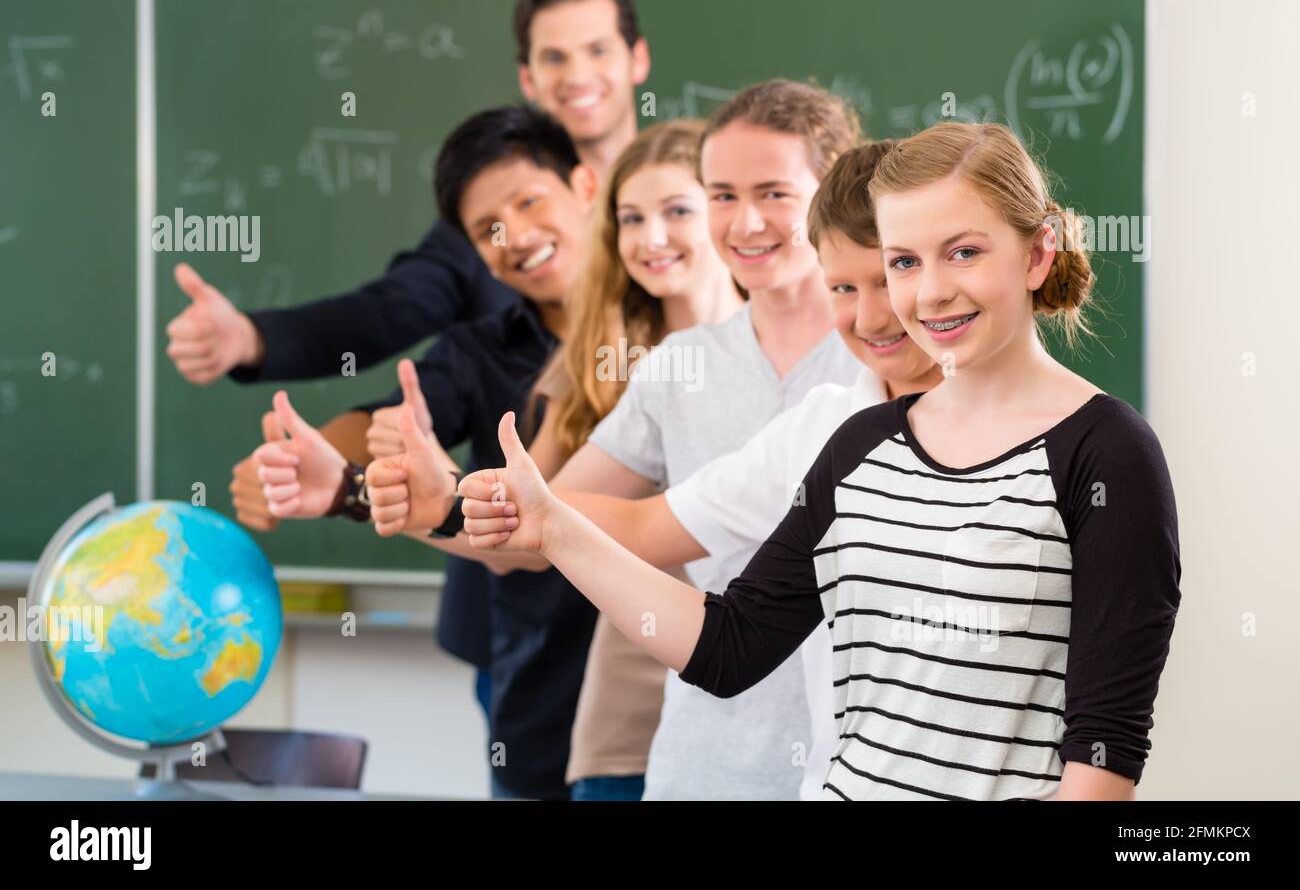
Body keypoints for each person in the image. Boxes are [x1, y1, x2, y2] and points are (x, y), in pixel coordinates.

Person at [457, 121, 1183, 800]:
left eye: (964, 251)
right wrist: (556, 529)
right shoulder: (860, 442)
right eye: (904, 261)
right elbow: (728, 645)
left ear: (1037, 252)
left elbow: (1104, 746)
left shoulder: (1106, 454)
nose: (930, 291)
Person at [165, 0, 651, 722]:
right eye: (554, 57)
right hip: (526, 633)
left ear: (637, 61)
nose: (578, 75)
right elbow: (387, 334)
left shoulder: (698, 223)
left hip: (675, 616)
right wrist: (264, 354)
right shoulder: (485, 225)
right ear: (527, 75)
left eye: (596, 50)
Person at [369, 119, 743, 801]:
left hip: (777, 701)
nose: (652, 237)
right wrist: (426, 503)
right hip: (635, 711)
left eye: (678, 210)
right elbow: (535, 528)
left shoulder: (807, 343)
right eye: (631, 218)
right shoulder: (610, 366)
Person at [251, 105, 601, 799]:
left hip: (670, 671)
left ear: (585, 187)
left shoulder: (673, 327)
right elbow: (400, 421)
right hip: (534, 677)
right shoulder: (479, 350)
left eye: (530, 200)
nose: (517, 236)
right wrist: (342, 478)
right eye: (487, 230)